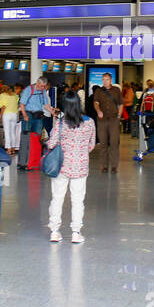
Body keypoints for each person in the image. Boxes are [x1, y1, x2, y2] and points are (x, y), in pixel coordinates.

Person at [45, 89, 96, 243]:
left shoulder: (60, 124)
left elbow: (51, 144)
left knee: (57, 198)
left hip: (61, 166)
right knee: (78, 200)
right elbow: (91, 145)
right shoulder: (89, 122)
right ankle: (76, 233)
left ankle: (54, 231)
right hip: (80, 167)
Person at [92, 72, 123, 173]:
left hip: (114, 120)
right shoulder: (98, 91)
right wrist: (98, 111)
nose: (105, 82)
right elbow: (96, 103)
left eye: (107, 79)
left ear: (111, 80)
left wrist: (119, 116)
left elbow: (121, 104)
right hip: (102, 120)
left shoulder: (116, 90)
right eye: (103, 80)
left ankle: (114, 166)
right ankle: (104, 165)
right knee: (103, 143)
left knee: (114, 143)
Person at [0, 83, 22, 154]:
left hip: (6, 114)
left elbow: (3, 106)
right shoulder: (15, 95)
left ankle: (8, 149)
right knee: (13, 132)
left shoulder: (2, 95)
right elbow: (18, 105)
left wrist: (0, 115)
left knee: (7, 132)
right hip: (14, 115)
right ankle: (13, 149)